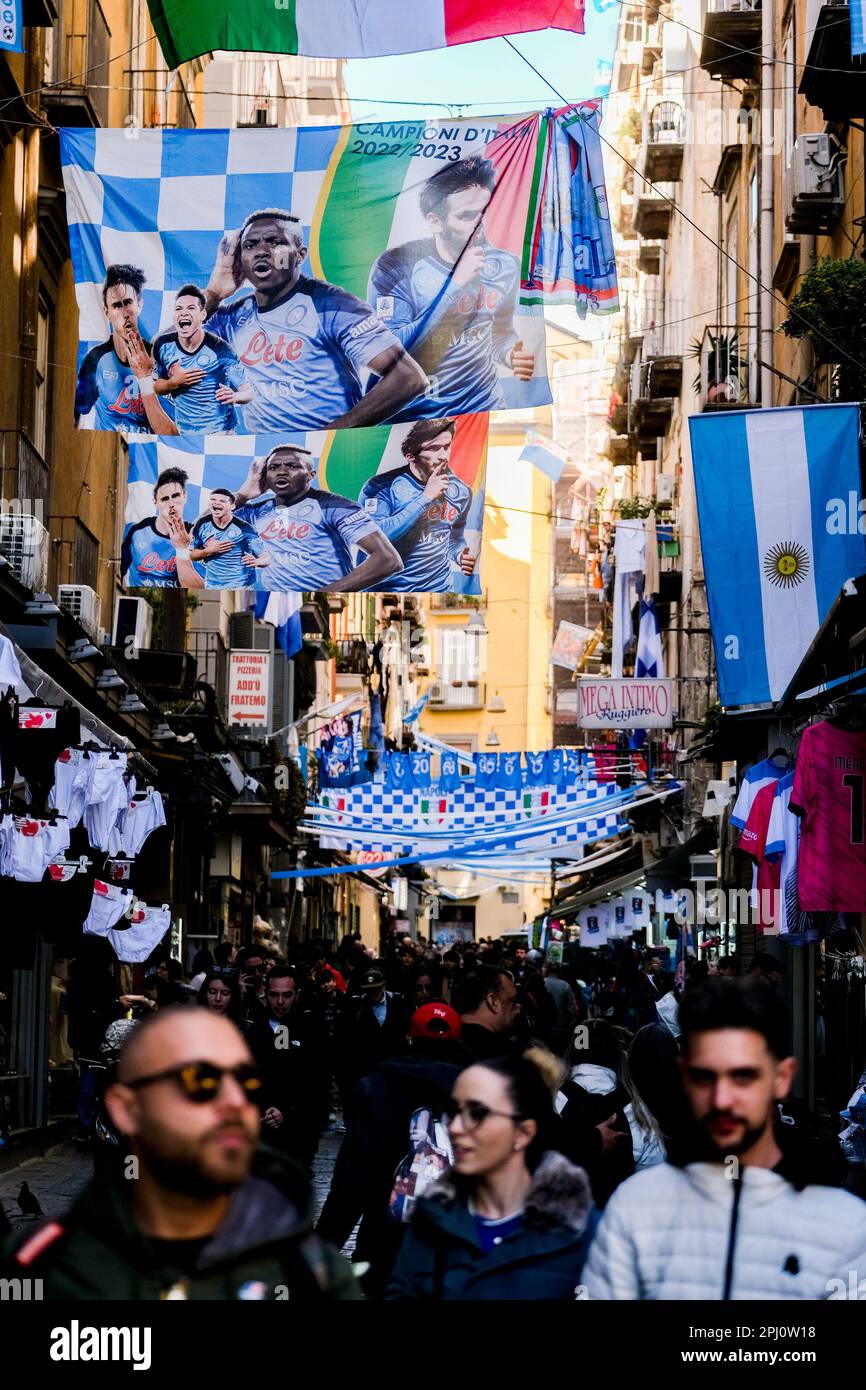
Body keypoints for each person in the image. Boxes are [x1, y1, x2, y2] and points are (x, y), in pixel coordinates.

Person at [0, 1009, 360, 1299]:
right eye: (200, 1083)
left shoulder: (309, 1270)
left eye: (245, 1081)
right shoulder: (46, 1266)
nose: (233, 1102)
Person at [583, 978, 866, 1299]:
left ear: (781, 1078)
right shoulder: (634, 1212)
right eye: (705, 1076)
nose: (722, 1099)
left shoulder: (845, 1229)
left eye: (743, 1076)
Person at [386, 1048, 594, 1300]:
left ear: (522, 1132)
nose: (454, 1127)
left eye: (477, 1113)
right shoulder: (432, 1219)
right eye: (453, 1110)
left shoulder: (580, 1229)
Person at [202, 208, 426, 430]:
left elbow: (408, 378)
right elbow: (171, 357)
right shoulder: (230, 319)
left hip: (328, 454)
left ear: (300, 255)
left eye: (274, 242)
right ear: (241, 260)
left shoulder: (333, 305)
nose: (261, 251)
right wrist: (213, 293)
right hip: (262, 454)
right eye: (250, 245)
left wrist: (326, 436)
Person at [317, 1001, 467, 1297]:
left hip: (385, 1242)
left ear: (409, 1039)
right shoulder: (479, 1092)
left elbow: (352, 1179)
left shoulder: (378, 1086)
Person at [368, 155, 535, 419]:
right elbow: (390, 353)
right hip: (413, 414)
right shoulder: (396, 266)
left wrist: (511, 353)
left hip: (479, 409)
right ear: (435, 221)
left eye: (485, 212)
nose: (480, 225)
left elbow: (498, 332)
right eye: (467, 216)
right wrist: (454, 285)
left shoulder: (505, 265)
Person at [224, 445, 402, 594]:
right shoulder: (255, 512)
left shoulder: (335, 506)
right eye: (273, 467)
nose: (281, 472)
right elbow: (199, 531)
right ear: (265, 477)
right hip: (273, 601)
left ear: (311, 475)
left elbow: (388, 559)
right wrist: (243, 494)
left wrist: (323, 594)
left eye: (292, 466)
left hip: (318, 601)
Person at [358, 419, 477, 592]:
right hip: (386, 590)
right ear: (410, 455)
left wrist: (460, 554)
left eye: (446, 446)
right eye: (434, 448)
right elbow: (374, 538)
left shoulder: (461, 491)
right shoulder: (380, 486)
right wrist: (425, 497)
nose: (443, 455)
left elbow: (453, 538)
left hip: (437, 589)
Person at [244, 965, 327, 1170]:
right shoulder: (255, 1030)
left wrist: (288, 1112)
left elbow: (318, 1081)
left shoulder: (311, 1029)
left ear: (296, 995)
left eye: (286, 995)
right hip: (261, 1130)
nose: (280, 1002)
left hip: (299, 1133)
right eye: (274, 995)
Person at [74, 264, 171, 434]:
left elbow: (172, 431)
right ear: (107, 311)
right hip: (110, 444)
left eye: (128, 303)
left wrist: (146, 379)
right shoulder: (96, 359)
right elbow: (78, 415)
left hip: (146, 453)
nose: (124, 313)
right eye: (117, 306)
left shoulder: (159, 358)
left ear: (139, 305)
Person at [151, 284, 253, 433]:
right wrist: (173, 383)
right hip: (184, 435)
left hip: (220, 434)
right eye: (179, 309)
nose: (184, 313)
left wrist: (236, 396)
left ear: (203, 314)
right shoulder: (163, 344)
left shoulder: (221, 349)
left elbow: (248, 391)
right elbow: (157, 386)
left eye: (191, 308)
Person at [120, 466, 192, 589]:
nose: (171, 504)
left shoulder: (194, 533)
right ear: (155, 502)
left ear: (185, 496)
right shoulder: (137, 532)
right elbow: (122, 570)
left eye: (175, 496)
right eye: (164, 499)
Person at [188, 488, 270, 589]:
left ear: (232, 506)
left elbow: (266, 558)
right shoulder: (202, 524)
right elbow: (192, 555)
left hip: (241, 586)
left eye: (222, 501)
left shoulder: (244, 528)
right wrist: (208, 551)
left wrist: (257, 562)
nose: (216, 503)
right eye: (213, 500)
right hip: (212, 585)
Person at [454, 965, 521, 1061]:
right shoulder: (507, 1057)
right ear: (493, 1002)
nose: (518, 1008)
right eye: (512, 1001)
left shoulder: (441, 1042)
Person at [542, 959, 579, 1057]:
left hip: (543, 1028)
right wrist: (572, 1024)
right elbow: (571, 1009)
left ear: (547, 970)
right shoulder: (565, 985)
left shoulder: (541, 983)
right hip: (560, 1027)